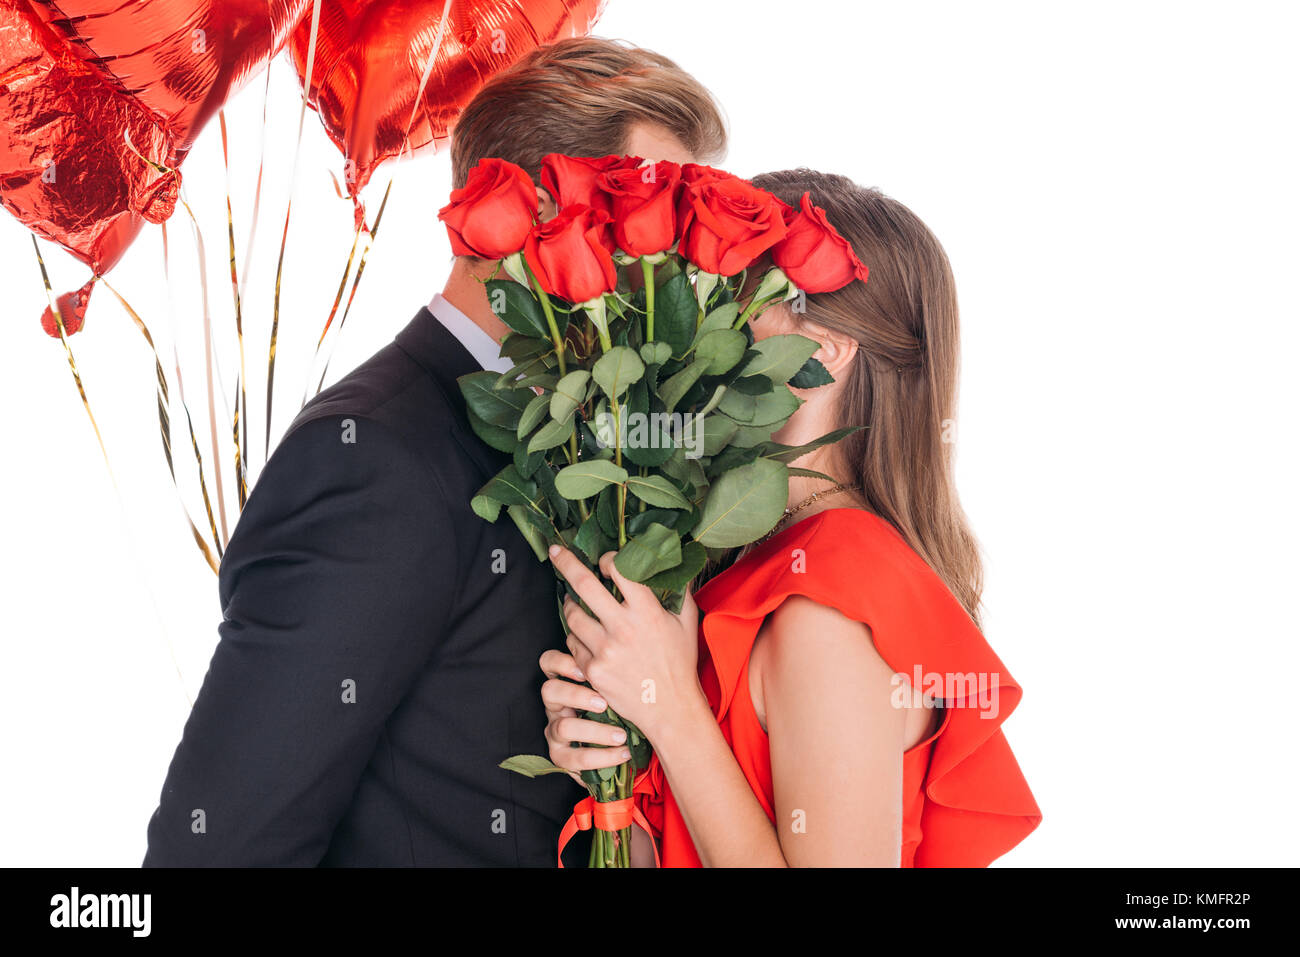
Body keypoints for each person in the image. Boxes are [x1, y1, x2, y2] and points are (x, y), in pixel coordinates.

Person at [142, 37, 727, 866]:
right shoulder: (372, 459)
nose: (672, 263)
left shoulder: (596, 431)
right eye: (650, 213)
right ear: (535, 211)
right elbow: (220, 848)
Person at [541, 170, 1042, 866]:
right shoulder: (763, 558)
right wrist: (613, 781)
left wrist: (673, 711)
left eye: (736, 292)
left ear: (827, 348)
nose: (697, 320)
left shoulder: (829, 602)